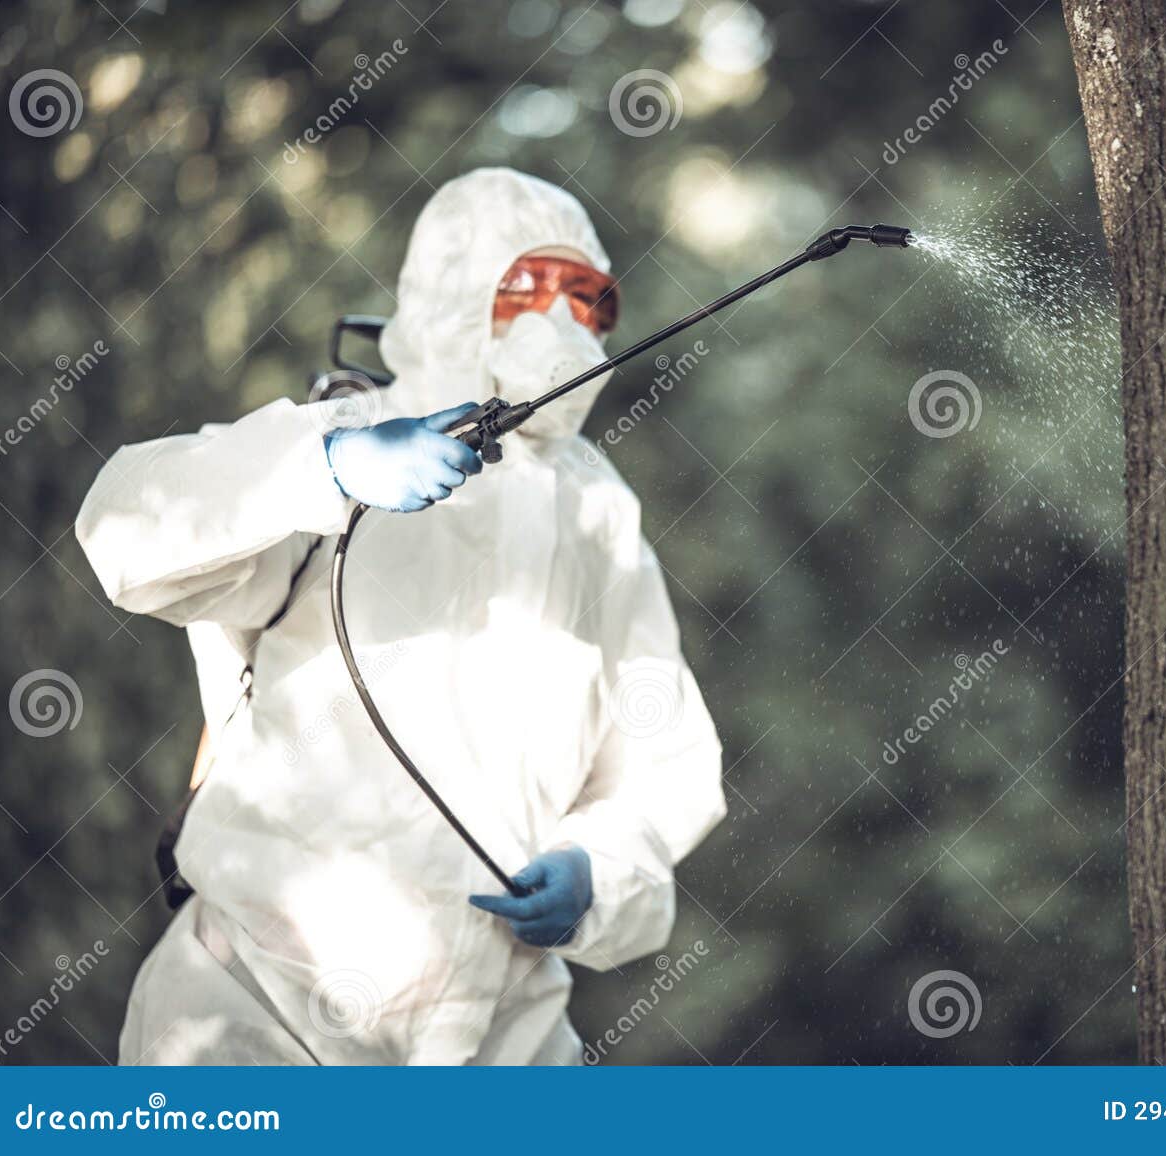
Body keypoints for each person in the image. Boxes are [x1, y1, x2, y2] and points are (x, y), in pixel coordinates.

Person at [76, 168, 725, 1065]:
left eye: (591, 299)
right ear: (456, 289)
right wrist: (328, 469)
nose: (568, 322)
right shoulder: (341, 437)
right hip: (258, 1002)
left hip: (501, 1034)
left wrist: (599, 871)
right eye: (531, 287)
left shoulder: (599, 517)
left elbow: (664, 768)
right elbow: (123, 525)